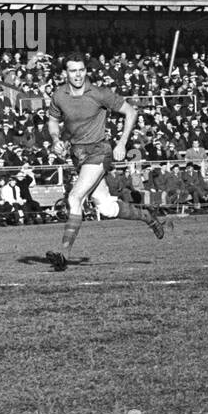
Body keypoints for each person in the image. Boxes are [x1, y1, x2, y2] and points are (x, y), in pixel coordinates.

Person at [44, 53, 166, 271]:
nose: (78, 74)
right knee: (106, 207)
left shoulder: (99, 93)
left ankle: (63, 255)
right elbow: (53, 121)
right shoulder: (59, 95)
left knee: (75, 197)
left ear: (86, 70)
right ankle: (147, 216)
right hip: (78, 155)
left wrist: (121, 144)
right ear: (65, 74)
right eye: (73, 70)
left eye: (81, 69)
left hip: (99, 151)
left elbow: (130, 111)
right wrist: (55, 139)